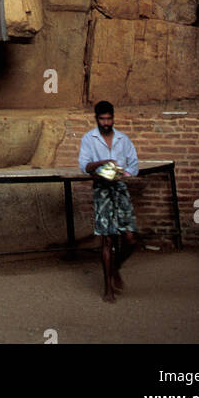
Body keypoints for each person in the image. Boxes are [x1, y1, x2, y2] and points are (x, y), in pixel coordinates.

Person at [78, 100, 139, 301]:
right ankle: (108, 289)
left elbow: (134, 164)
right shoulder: (89, 138)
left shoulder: (123, 139)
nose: (106, 122)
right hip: (102, 191)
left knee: (130, 238)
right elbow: (85, 166)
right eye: (102, 119)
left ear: (113, 118)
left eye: (109, 118)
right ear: (96, 119)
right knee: (108, 239)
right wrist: (103, 163)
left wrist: (124, 174)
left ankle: (115, 266)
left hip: (120, 189)